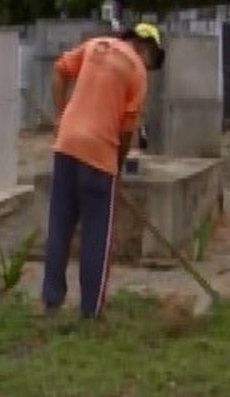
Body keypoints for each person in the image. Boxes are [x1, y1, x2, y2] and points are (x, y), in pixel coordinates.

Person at [41, 23, 166, 320]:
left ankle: (51, 300)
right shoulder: (136, 70)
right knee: (97, 234)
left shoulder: (95, 44)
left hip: (66, 145)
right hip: (100, 154)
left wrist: (61, 118)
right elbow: (126, 131)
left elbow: (59, 71)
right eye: (153, 60)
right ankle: (91, 309)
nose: (149, 66)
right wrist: (117, 168)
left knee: (60, 225)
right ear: (146, 48)